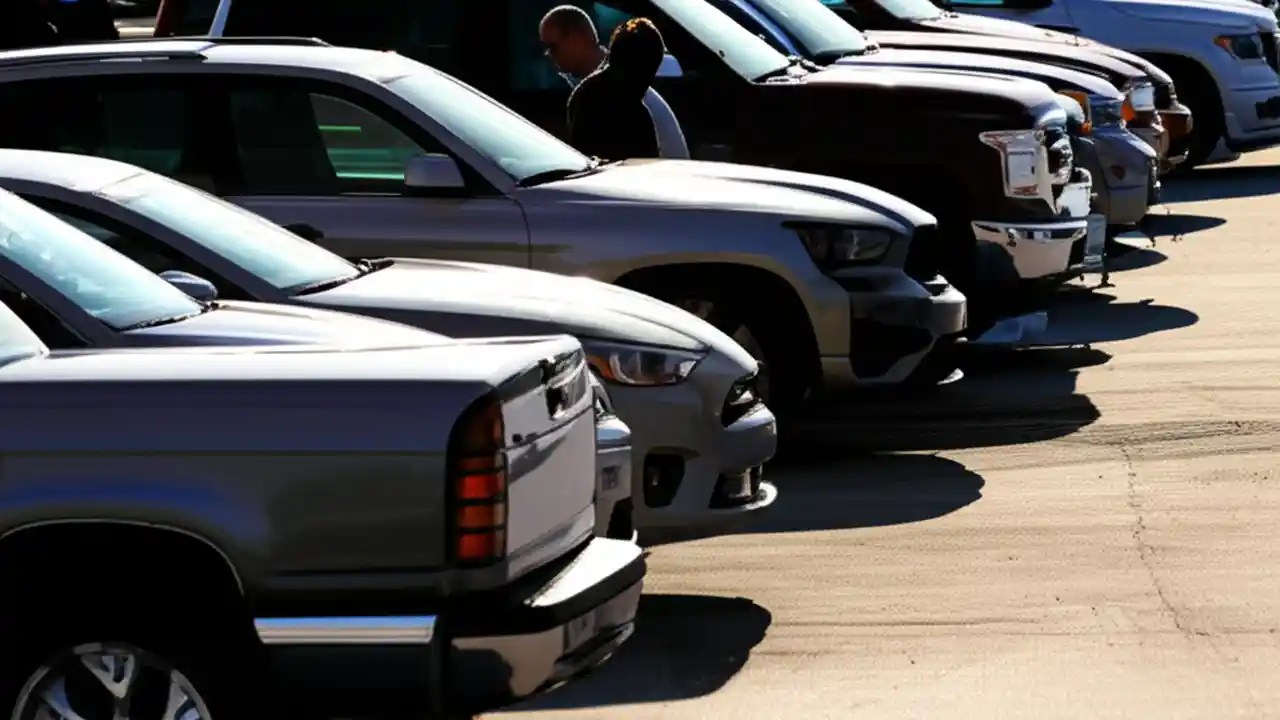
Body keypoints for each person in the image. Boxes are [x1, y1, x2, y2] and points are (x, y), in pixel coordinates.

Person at [539, 5, 689, 160]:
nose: (548, 54)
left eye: (553, 46)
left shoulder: (610, 99)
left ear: (578, 38)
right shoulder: (599, 92)